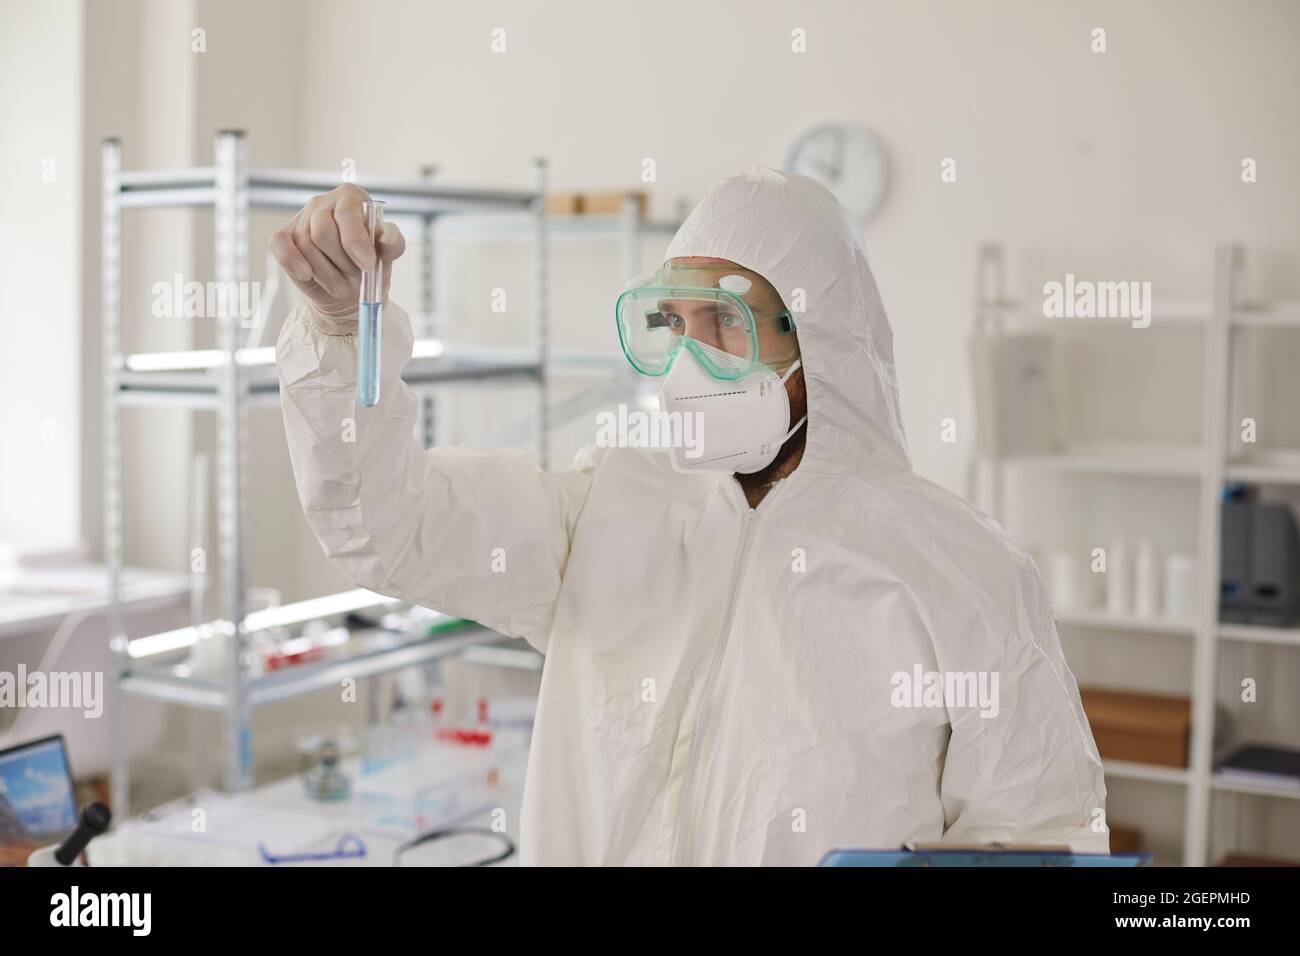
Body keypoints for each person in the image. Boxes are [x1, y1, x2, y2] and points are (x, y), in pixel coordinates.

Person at [272, 166, 1108, 865]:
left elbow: (1033, 832)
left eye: (726, 322)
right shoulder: (606, 510)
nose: (689, 358)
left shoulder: (957, 571)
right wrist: (344, 333)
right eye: (674, 322)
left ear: (820, 336)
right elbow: (389, 529)